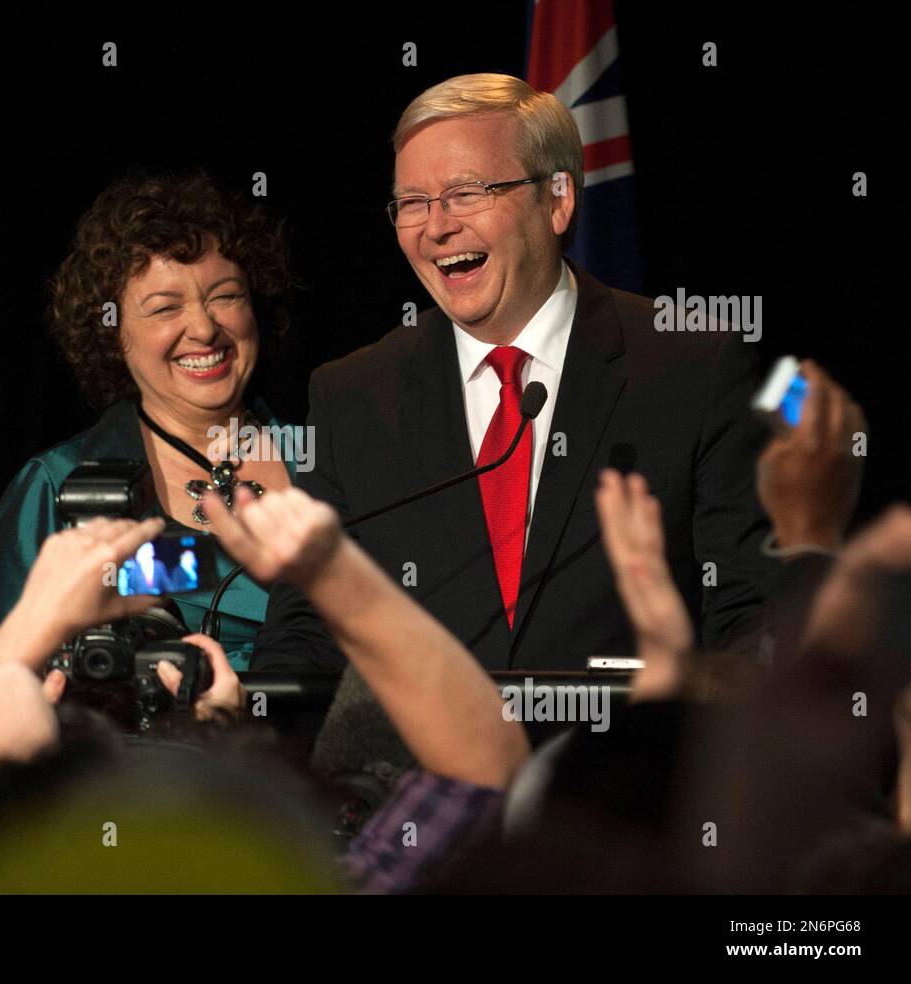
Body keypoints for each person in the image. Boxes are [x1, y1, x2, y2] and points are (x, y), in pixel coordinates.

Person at [252, 72, 780, 679]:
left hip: (627, 764)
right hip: (419, 772)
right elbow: (310, 628)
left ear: (557, 199)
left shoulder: (693, 368)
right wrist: (245, 711)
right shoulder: (352, 396)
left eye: (467, 192)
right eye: (412, 203)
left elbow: (750, 612)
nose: (436, 226)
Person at [0, 172, 297, 669]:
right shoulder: (61, 484)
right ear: (112, 333)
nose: (205, 328)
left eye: (225, 296)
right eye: (165, 308)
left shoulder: (330, 454)